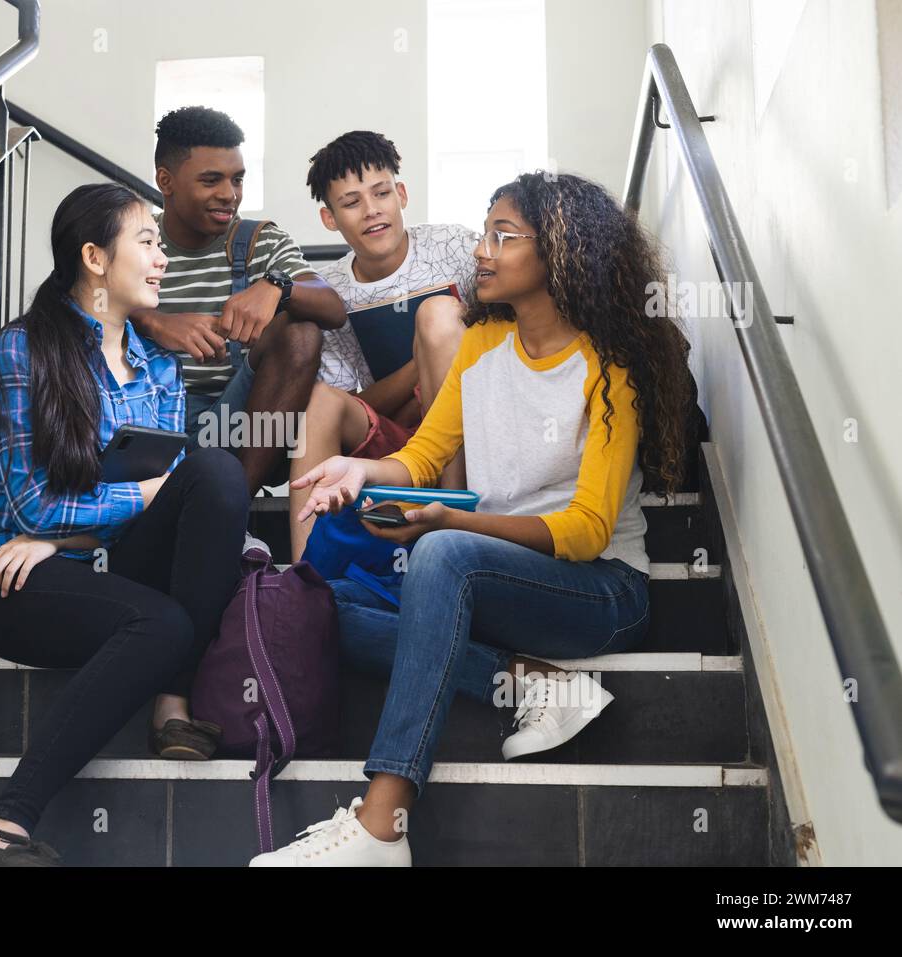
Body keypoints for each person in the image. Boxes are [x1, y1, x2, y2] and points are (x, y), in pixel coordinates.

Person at [251, 172, 694, 866]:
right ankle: (534, 679)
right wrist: (360, 471)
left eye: (503, 236)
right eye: (485, 231)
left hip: (601, 589)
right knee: (324, 603)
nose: (481, 250)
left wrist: (446, 529)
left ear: (560, 253)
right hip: (495, 586)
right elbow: (427, 454)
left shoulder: (610, 367)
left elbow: (586, 531)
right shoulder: (484, 345)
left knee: (443, 556)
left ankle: (382, 825)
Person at [0, 183, 249, 867]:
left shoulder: (161, 370)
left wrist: (69, 533)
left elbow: (154, 499)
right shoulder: (22, 350)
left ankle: (172, 697)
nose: (162, 259)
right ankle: (0, 829)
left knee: (217, 474)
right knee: (163, 622)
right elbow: (32, 506)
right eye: (146, 242)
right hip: (10, 578)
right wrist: (116, 507)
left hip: (89, 558)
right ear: (94, 256)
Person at [129, 105, 348, 495]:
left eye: (238, 179)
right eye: (211, 180)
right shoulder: (132, 239)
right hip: (152, 422)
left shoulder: (258, 241)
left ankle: (235, 506)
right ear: (166, 180)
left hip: (242, 426)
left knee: (301, 331)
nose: (229, 195)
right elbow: (73, 310)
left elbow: (333, 308)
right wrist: (150, 320)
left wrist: (278, 285)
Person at [290, 130, 477, 558]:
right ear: (330, 218)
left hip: (468, 430)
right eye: (352, 202)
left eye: (382, 193)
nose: (372, 211)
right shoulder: (330, 290)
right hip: (395, 438)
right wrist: (420, 364)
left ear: (402, 194)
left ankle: (454, 512)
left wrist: (435, 350)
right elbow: (355, 401)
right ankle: (302, 574)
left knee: (439, 314)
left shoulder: (455, 247)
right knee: (319, 399)